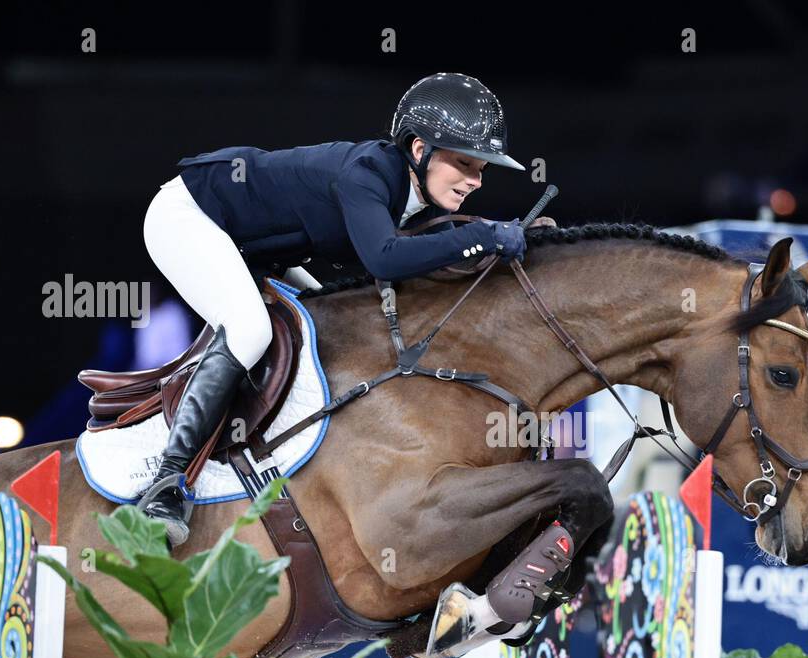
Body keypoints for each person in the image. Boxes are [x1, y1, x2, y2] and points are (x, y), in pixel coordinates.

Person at [137, 72, 528, 546]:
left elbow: (430, 255)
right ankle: (166, 483)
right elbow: (384, 259)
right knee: (248, 330)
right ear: (420, 150)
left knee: (327, 322)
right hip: (189, 215)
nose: (475, 180)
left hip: (250, 249)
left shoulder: (413, 196)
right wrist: (484, 236)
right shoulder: (366, 172)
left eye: (482, 170)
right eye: (464, 163)